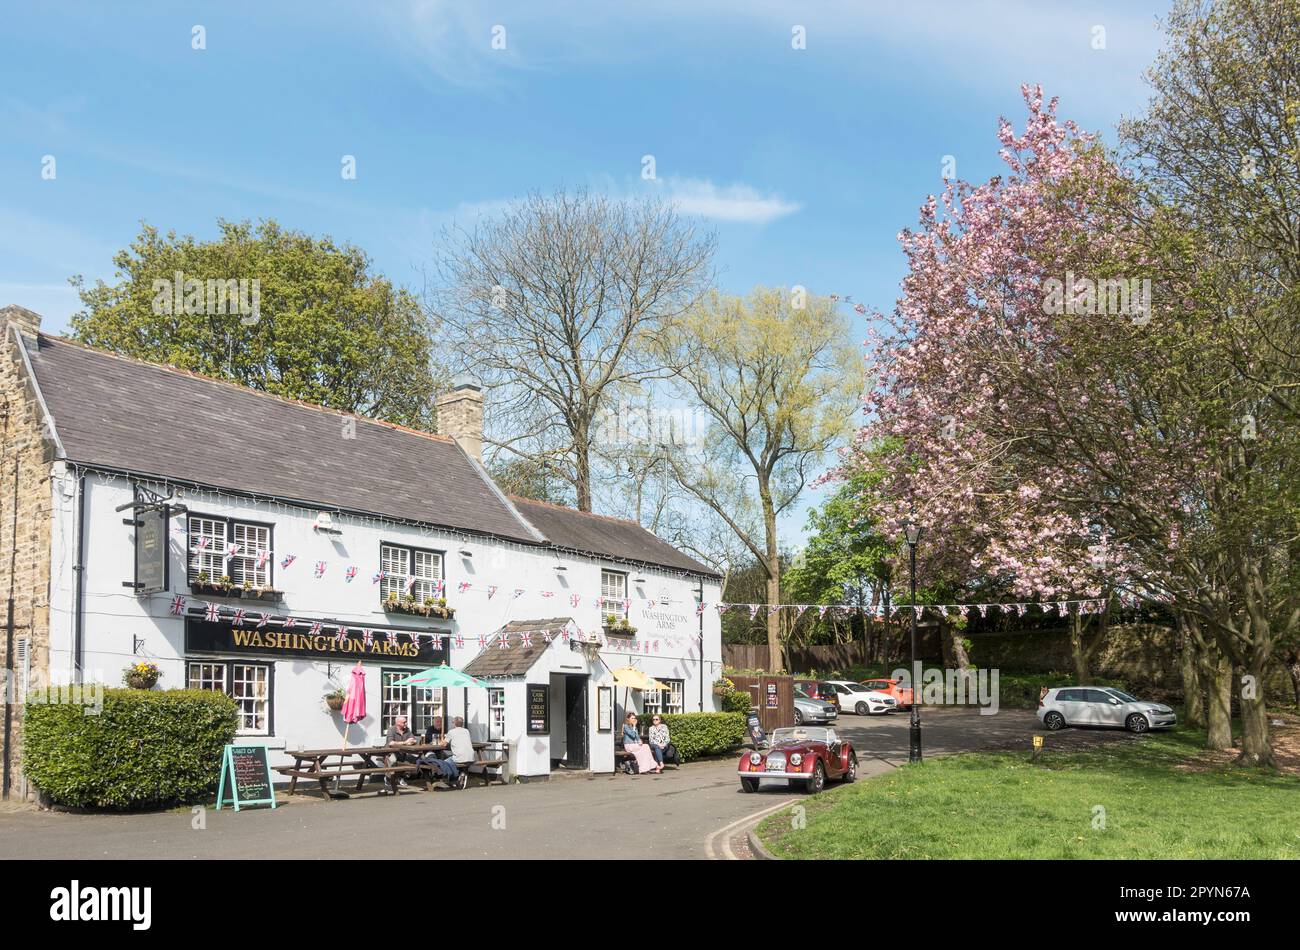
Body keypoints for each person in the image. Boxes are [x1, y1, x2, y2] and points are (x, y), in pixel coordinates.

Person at [385, 715, 419, 789]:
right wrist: (405, 742)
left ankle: (400, 777)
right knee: (393, 760)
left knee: (411, 758)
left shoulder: (407, 729)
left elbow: (414, 739)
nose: (406, 723)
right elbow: (391, 743)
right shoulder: (391, 730)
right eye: (404, 722)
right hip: (391, 751)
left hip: (403, 752)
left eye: (406, 722)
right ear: (398, 723)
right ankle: (388, 778)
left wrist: (412, 741)